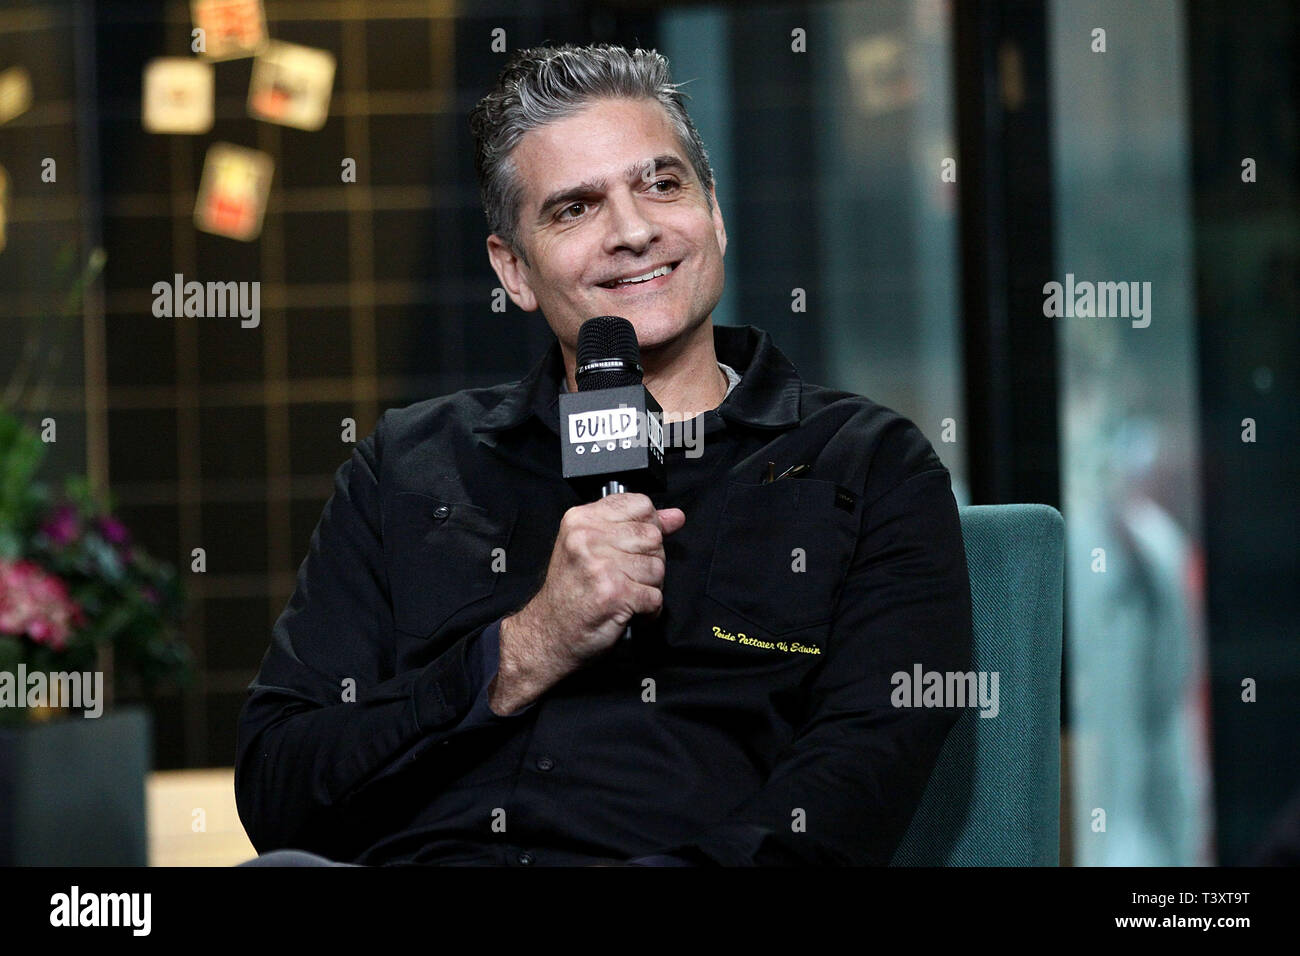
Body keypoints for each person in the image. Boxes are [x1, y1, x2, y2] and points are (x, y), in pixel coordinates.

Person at [235, 43, 972, 867]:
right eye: (575, 208)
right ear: (513, 269)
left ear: (715, 214)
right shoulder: (406, 466)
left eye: (662, 184)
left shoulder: (867, 465)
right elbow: (277, 789)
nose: (633, 231)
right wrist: (523, 650)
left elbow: (852, 789)